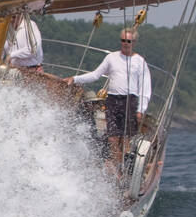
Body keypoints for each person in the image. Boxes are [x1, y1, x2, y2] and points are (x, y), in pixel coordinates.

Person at [64, 29, 152, 170]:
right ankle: (118, 168)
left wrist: (141, 109)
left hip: (130, 102)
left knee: (125, 139)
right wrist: (75, 78)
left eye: (128, 41)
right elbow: (95, 75)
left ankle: (124, 167)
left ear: (134, 42)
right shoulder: (112, 57)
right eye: (123, 40)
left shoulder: (140, 62)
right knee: (112, 138)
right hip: (112, 100)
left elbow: (145, 89)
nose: (125, 44)